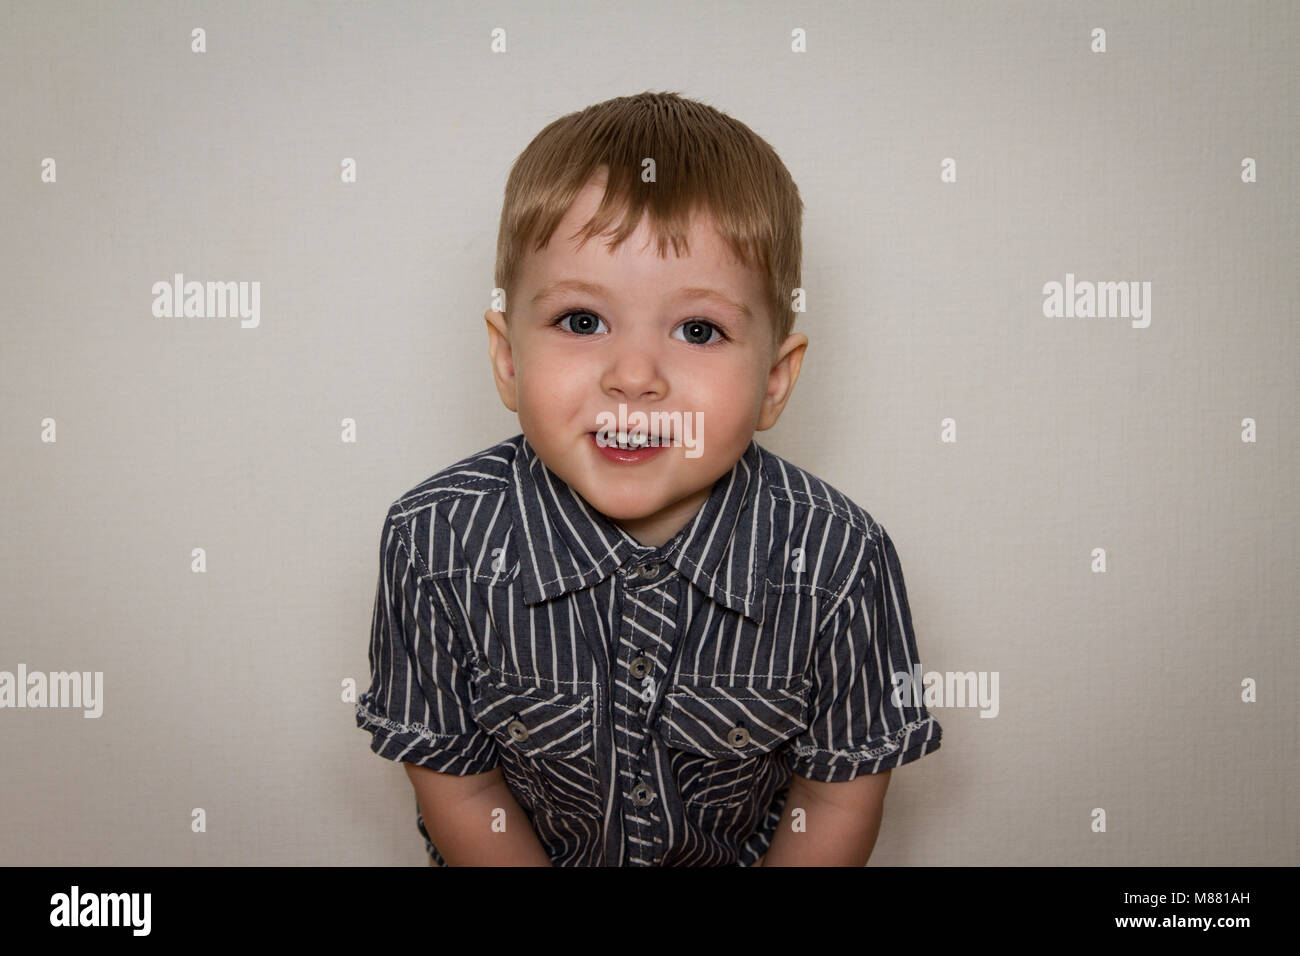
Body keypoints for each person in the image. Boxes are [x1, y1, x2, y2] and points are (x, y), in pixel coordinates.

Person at [356, 90, 942, 866]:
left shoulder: (840, 561)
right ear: (507, 359)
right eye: (581, 321)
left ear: (774, 380)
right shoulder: (434, 543)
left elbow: (834, 797)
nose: (634, 377)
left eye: (699, 330)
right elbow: (463, 789)